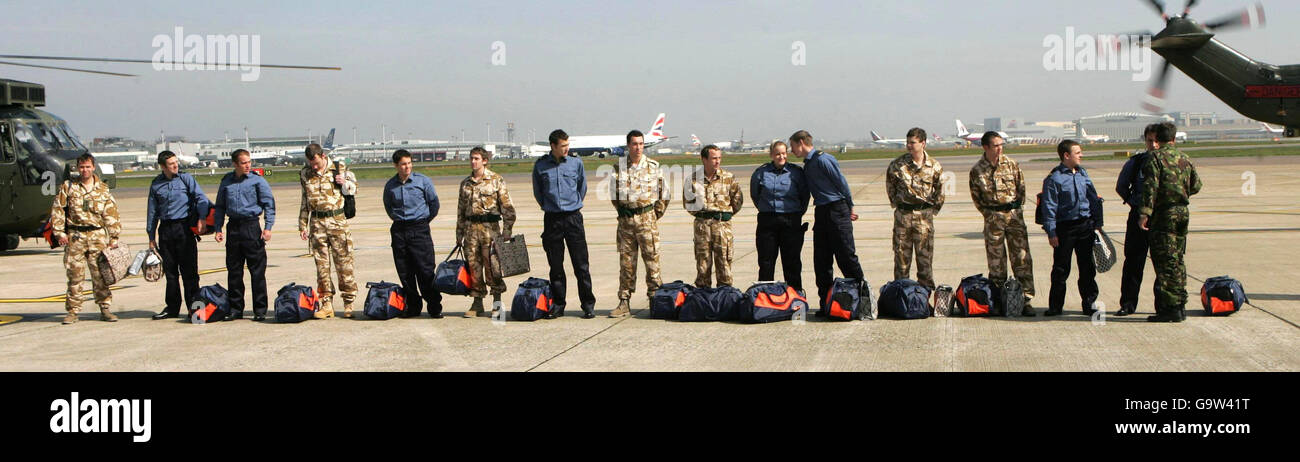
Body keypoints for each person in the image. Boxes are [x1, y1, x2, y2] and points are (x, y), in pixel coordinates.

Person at [791, 130, 864, 312]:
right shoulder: (808, 164)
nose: (792, 151)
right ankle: (826, 303)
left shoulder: (823, 160)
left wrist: (850, 206)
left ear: (801, 142)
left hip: (836, 209)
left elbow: (841, 183)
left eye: (792, 146)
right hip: (822, 212)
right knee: (821, 261)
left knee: (846, 256)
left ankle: (862, 298)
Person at [1138, 122, 1202, 322]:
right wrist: (1180, 194)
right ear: (1173, 138)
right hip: (1182, 212)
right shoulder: (1184, 158)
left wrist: (1144, 213)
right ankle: (1180, 304)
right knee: (1178, 258)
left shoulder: (1155, 158)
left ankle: (1171, 308)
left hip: (1164, 214)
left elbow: (1150, 188)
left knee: (1165, 260)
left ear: (1158, 139)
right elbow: (1197, 185)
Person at [48, 154, 122, 324]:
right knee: (75, 276)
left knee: (100, 275)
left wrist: (114, 236)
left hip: (97, 235)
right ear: (77, 168)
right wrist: (60, 232)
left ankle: (105, 308)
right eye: (82, 167)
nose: (85, 170)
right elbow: (58, 209)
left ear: (93, 167)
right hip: (76, 236)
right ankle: (73, 311)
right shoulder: (69, 187)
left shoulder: (102, 189)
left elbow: (111, 213)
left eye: (88, 167)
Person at [968, 131, 1036, 315]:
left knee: (1021, 258)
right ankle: (999, 300)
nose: (1000, 148)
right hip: (993, 218)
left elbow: (1021, 189)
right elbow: (977, 198)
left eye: (1001, 145)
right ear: (986, 147)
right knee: (996, 262)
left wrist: (1014, 210)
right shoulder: (977, 170)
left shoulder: (1012, 165)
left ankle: (1025, 300)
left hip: (1014, 217)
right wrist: (990, 214)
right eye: (996, 145)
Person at [533, 130, 596, 318]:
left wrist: (571, 206)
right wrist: (550, 207)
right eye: (563, 146)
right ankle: (559, 304)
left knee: (581, 265)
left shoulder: (576, 163)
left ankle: (587, 304)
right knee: (556, 266)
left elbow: (581, 188)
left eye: (568, 145)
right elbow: (539, 192)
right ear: (553, 146)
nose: (567, 149)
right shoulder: (541, 166)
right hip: (552, 219)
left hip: (573, 218)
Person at [1041, 140, 1104, 317]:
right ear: (1066, 156)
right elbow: (1049, 207)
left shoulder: (1083, 174)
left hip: (1085, 226)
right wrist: (1051, 232)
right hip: (1065, 228)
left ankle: (1089, 304)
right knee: (1061, 269)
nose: (1081, 155)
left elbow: (1093, 199)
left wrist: (1097, 224)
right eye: (1077, 153)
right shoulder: (1054, 179)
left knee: (1087, 268)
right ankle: (1055, 306)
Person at [609, 130, 668, 317]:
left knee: (652, 261)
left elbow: (664, 195)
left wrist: (651, 214)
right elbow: (614, 196)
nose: (638, 147)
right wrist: (626, 213)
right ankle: (624, 301)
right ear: (628, 145)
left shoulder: (653, 166)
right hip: (626, 222)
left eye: (641, 144)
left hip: (647, 220)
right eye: (634, 144)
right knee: (626, 263)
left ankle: (654, 299)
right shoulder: (618, 168)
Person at [213, 149, 276, 321]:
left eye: (249, 162)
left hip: (251, 227)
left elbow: (269, 204)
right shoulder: (226, 181)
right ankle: (235, 309)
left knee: (257, 272)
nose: (248, 165)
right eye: (243, 162)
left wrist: (268, 227)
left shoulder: (257, 181)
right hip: (233, 227)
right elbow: (219, 206)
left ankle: (260, 310)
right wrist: (218, 228)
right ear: (235, 164)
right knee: (234, 271)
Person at [147, 150, 210, 320]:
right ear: (162, 166)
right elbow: (152, 213)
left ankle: (195, 309)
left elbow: (201, 198)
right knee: (171, 273)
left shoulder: (186, 179)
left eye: (176, 162)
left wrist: (202, 218)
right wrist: (151, 237)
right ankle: (172, 308)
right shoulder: (156, 184)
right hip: (166, 231)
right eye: (171, 164)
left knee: (190, 272)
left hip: (184, 229)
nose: (175, 165)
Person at [382, 149, 445, 319]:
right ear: (396, 165)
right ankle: (413, 306)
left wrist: (422, 222)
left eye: (409, 163)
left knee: (425, 271)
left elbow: (434, 205)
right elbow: (389, 207)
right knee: (405, 272)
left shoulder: (423, 181)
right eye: (403, 164)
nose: (407, 167)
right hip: (399, 230)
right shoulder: (390, 185)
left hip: (419, 229)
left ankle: (434, 306)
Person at [298, 143, 358, 319]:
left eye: (316, 162)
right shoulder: (305, 173)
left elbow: (355, 188)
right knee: (321, 266)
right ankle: (326, 303)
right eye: (311, 163)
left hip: (337, 222)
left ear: (323, 156)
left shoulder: (339, 168)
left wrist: (345, 183)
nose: (314, 167)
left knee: (344, 263)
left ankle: (349, 302)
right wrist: (302, 224)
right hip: (317, 224)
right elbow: (304, 200)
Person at [456, 146, 516, 318]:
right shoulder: (465, 184)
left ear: (484, 160)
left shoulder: (496, 180)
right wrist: (459, 234)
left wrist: (507, 230)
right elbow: (460, 211)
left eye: (476, 158)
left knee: (493, 268)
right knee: (473, 267)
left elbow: (507, 208)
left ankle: (497, 303)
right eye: (471, 158)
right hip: (470, 230)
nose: (473, 162)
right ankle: (477, 303)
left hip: (490, 230)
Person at [885, 127, 945, 289]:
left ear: (923, 143)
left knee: (925, 261)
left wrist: (930, 210)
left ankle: (924, 298)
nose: (909, 146)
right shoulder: (897, 165)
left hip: (924, 218)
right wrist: (899, 205)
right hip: (903, 216)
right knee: (901, 261)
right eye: (908, 142)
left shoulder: (934, 166)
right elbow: (891, 187)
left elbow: (940, 191)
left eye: (913, 142)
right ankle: (901, 295)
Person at [750, 140, 809, 290]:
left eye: (783, 153)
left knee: (792, 262)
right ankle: (765, 297)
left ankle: (795, 296)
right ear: (771, 155)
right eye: (777, 154)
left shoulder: (796, 173)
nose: (781, 157)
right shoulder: (761, 173)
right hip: (767, 221)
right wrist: (767, 209)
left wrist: (795, 213)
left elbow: (804, 196)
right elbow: (755, 195)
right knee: (766, 262)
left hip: (791, 221)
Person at [1115, 124, 1160, 316]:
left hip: (1161, 218)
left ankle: (1164, 306)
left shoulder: (1171, 163)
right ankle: (1128, 303)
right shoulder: (1137, 162)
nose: (1154, 145)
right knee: (1133, 262)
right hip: (1138, 217)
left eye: (1157, 140)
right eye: (1150, 140)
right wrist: (1135, 203)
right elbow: (1122, 186)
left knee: (1163, 264)